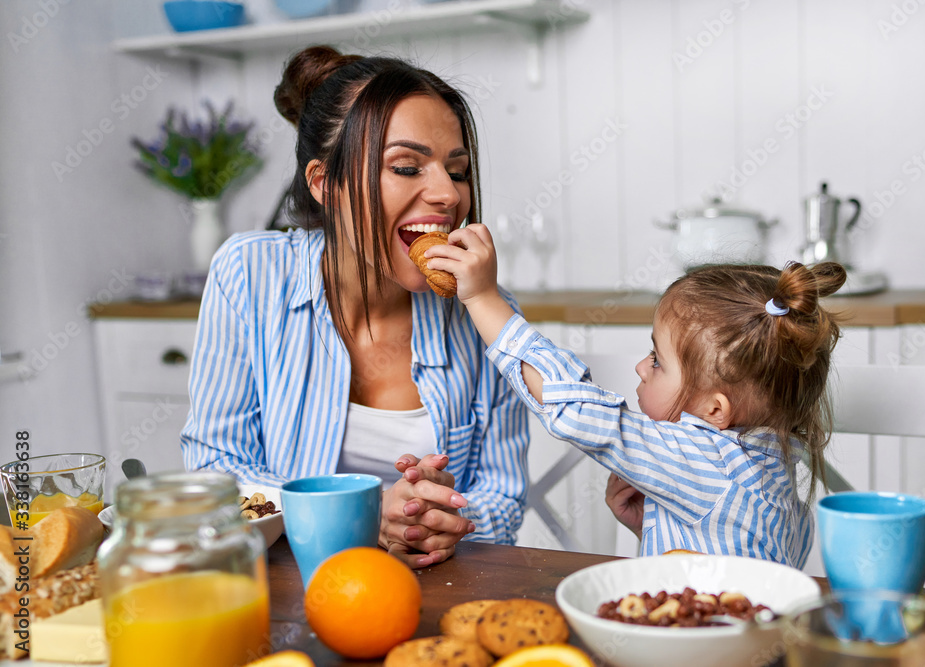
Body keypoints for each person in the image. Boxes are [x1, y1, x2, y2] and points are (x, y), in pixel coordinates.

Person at [180, 46, 530, 569]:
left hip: (435, 590)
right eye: (408, 167)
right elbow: (215, 472)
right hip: (285, 586)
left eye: (456, 172)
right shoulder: (249, 275)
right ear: (325, 183)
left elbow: (502, 500)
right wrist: (362, 515)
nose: (448, 195)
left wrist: (439, 521)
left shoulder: (485, 313)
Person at [427, 224, 846, 565]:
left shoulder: (708, 457)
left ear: (715, 410)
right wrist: (651, 524)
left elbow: (573, 408)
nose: (641, 367)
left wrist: (483, 299)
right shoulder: (775, 462)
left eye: (657, 360)